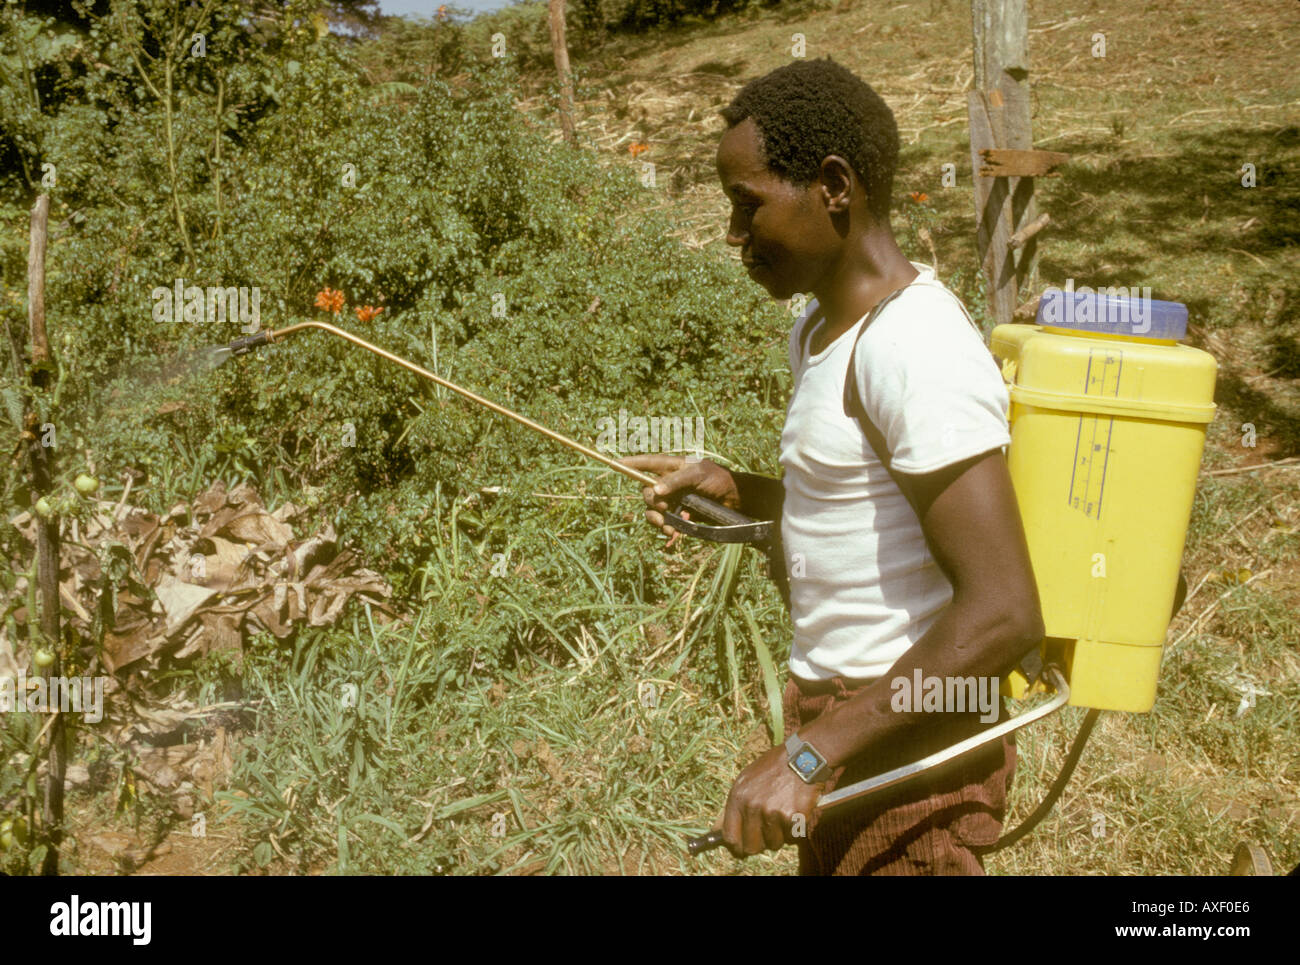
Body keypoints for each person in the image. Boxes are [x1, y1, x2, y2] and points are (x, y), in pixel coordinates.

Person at [623, 56, 1044, 875]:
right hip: (856, 731)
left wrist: (809, 755)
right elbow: (870, 508)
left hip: (916, 748)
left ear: (834, 185)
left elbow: (1003, 612)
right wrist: (740, 491)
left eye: (747, 206)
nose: (733, 236)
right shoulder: (820, 332)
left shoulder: (913, 345)